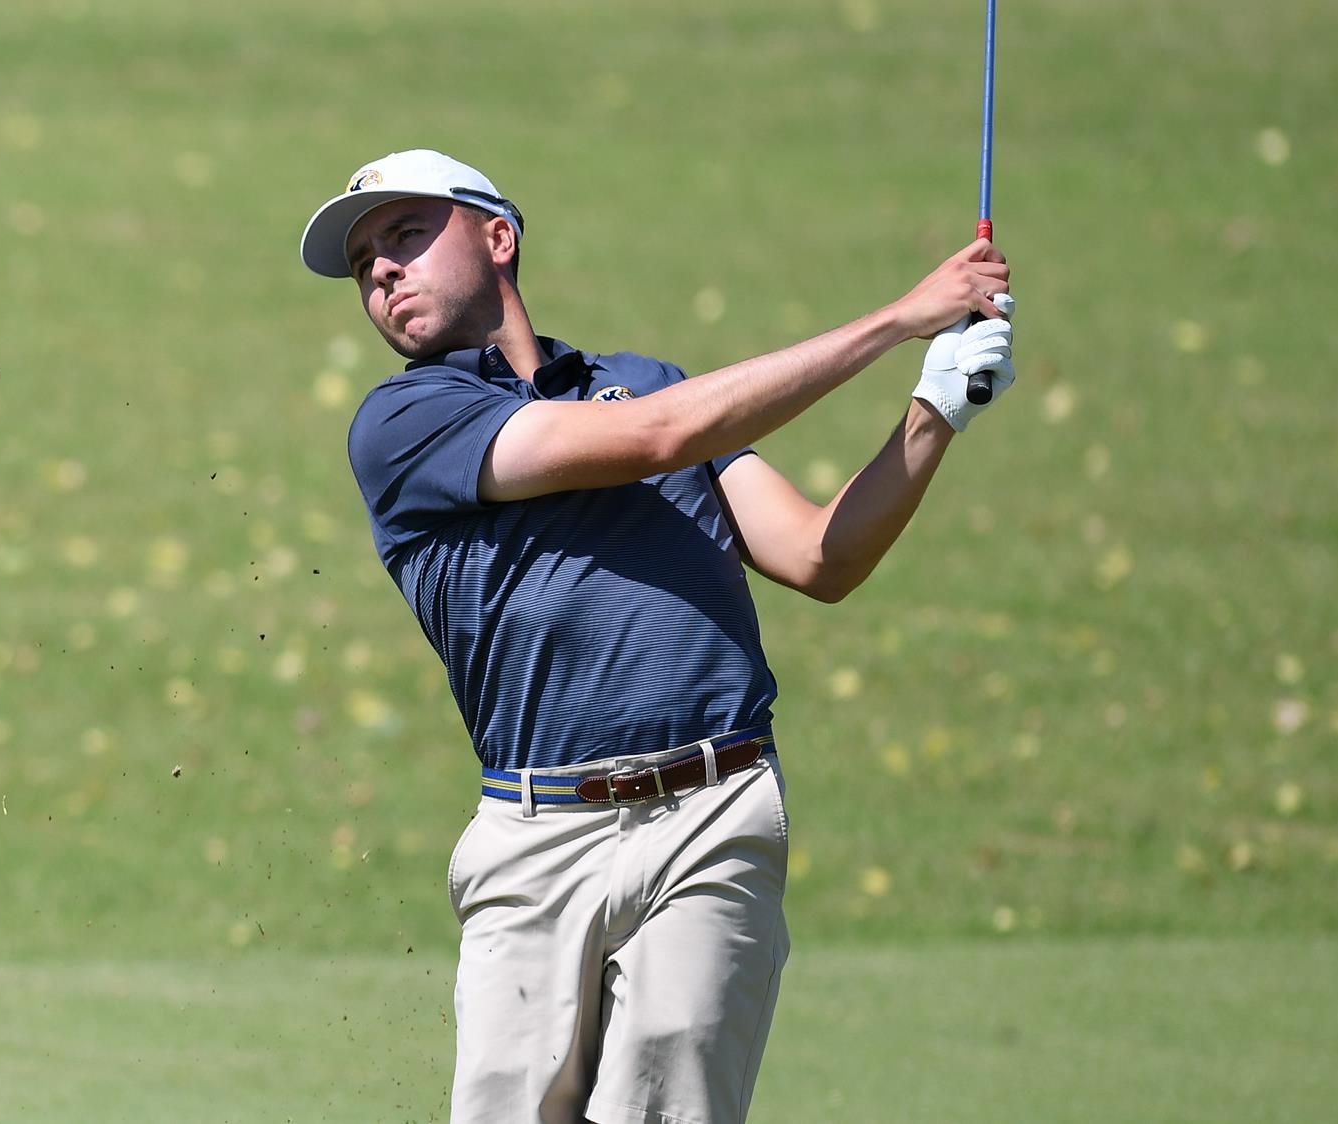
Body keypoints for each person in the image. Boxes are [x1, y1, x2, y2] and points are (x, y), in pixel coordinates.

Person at [299, 149, 1015, 1124]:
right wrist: (900, 318)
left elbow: (819, 556)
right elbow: (653, 440)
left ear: (497, 236)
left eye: (406, 234)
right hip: (537, 840)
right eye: (363, 263)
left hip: (714, 816)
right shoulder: (405, 422)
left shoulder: (642, 384)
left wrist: (934, 408)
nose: (382, 269)